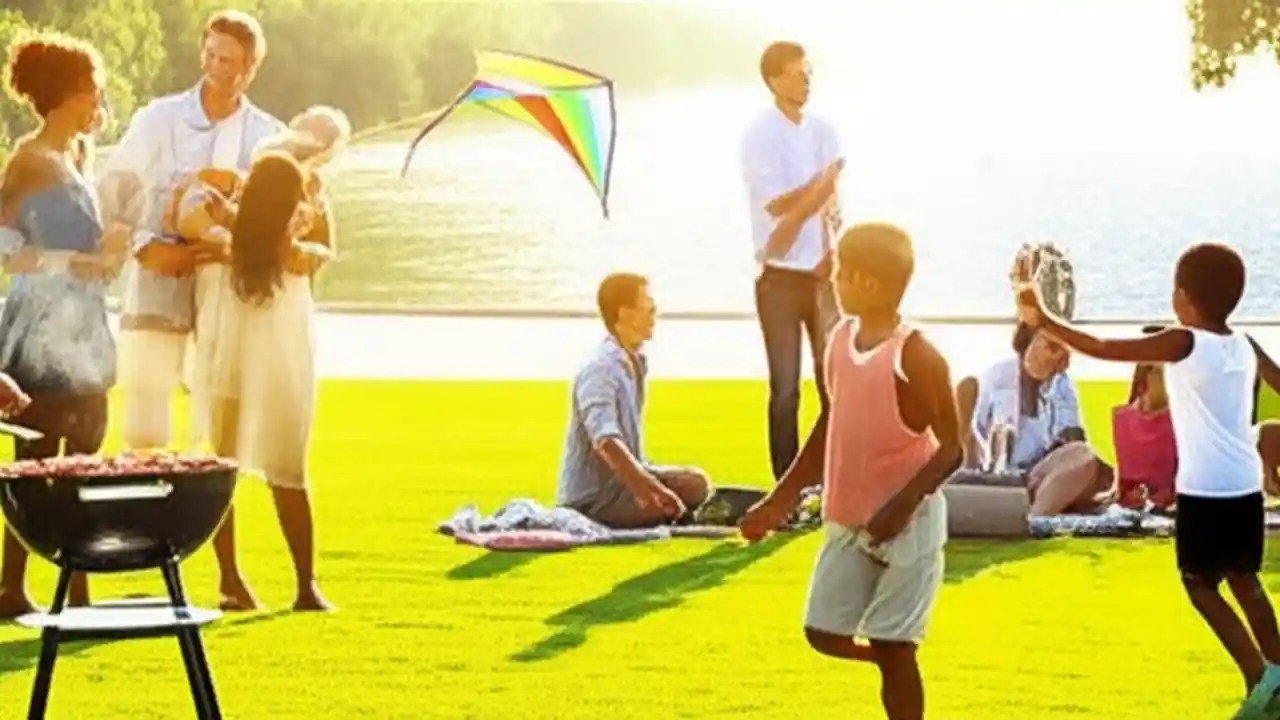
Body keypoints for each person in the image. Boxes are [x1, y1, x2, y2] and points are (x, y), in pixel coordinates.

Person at [1017, 242, 1280, 716]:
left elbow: (1104, 348)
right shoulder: (1244, 343)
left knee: (1199, 584)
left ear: (1182, 297)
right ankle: (1276, 674)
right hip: (1244, 487)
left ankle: (1260, 677)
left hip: (1205, 492)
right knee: (1246, 581)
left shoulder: (1184, 342)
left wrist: (1044, 320)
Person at [97, 9, 284, 611]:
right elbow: (117, 188)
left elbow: (271, 219)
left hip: (221, 294)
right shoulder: (157, 118)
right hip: (155, 285)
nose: (217, 69)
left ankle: (228, 575)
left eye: (230, 61)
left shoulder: (267, 136)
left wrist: (216, 242)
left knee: (217, 437)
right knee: (145, 430)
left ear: (252, 69)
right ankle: (137, 559)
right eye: (210, 55)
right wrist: (137, 241)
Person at [741, 223, 963, 720]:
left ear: (873, 285)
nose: (831, 279)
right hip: (849, 518)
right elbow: (829, 421)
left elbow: (952, 449)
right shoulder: (839, 339)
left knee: (894, 644)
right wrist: (780, 499)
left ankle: (896, 659)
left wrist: (899, 508)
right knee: (822, 633)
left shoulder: (918, 354)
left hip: (910, 525)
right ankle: (892, 658)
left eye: (841, 272)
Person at [0, 31, 127, 617]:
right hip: (43, 326)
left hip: (82, 323)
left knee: (82, 451)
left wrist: (107, 255)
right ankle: (20, 586)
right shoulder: (28, 162)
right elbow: (4, 247)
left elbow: (86, 251)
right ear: (65, 95)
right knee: (41, 457)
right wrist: (65, 262)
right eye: (92, 92)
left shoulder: (76, 159)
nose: (99, 104)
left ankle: (74, 585)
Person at [191, 151, 333, 611]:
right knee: (286, 474)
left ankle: (232, 580)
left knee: (224, 470)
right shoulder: (287, 253)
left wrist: (230, 213)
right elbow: (318, 253)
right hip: (282, 372)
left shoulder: (239, 247)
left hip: (231, 369)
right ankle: (303, 585)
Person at [741, 40, 844, 482]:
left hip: (823, 278)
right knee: (785, 391)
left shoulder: (823, 130)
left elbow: (832, 192)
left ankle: (830, 481)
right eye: (797, 73)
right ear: (774, 79)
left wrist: (813, 230)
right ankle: (785, 485)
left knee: (834, 387)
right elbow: (775, 205)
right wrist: (817, 190)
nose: (805, 81)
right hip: (779, 280)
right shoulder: (759, 136)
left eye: (808, 73)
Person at [556, 273, 712, 529]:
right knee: (667, 506)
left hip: (622, 484)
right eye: (648, 306)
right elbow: (606, 441)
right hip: (592, 498)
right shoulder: (600, 370)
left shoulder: (635, 361)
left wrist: (651, 482)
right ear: (625, 313)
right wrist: (647, 490)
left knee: (695, 484)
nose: (654, 313)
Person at [957, 323, 1110, 515]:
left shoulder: (1062, 385)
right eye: (1052, 347)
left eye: (1065, 352)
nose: (1059, 359)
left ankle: (1034, 517)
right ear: (1027, 343)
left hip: (1037, 478)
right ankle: (967, 438)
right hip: (991, 470)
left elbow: (1074, 442)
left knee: (1082, 456)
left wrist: (1097, 469)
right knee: (972, 448)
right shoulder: (994, 378)